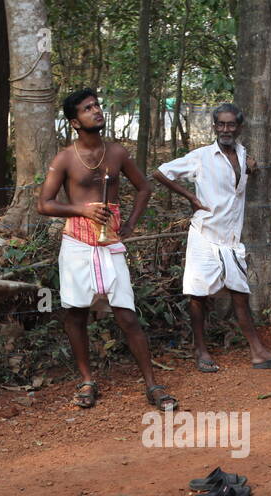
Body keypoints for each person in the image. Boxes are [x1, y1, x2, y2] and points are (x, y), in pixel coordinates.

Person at [37, 89, 177, 411]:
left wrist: (129, 225)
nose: (96, 111)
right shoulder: (65, 158)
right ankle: (87, 380)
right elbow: (44, 204)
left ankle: (152, 384)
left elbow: (144, 188)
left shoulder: (117, 153)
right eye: (88, 108)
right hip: (76, 242)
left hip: (111, 242)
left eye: (97, 105)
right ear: (74, 122)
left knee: (126, 315)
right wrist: (82, 210)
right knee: (75, 312)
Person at [152, 103, 271, 373]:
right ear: (214, 126)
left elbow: (238, 179)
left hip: (230, 239)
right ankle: (200, 350)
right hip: (204, 235)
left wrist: (251, 169)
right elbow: (161, 172)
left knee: (240, 293)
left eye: (231, 125)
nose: (225, 129)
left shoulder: (243, 154)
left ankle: (258, 352)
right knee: (198, 295)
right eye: (221, 124)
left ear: (239, 127)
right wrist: (191, 197)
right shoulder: (202, 156)